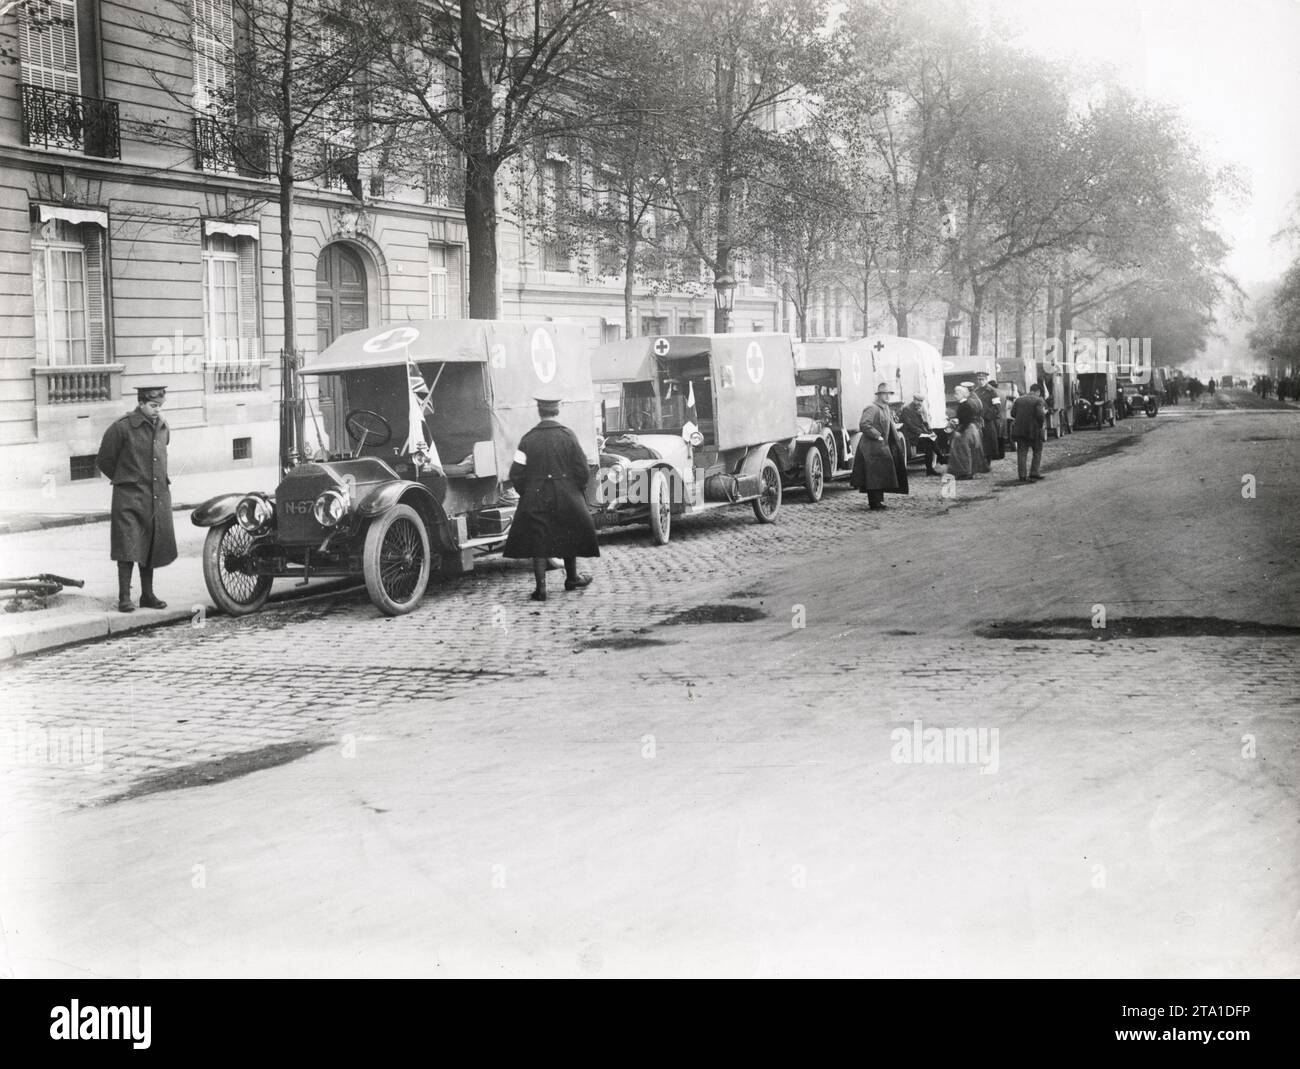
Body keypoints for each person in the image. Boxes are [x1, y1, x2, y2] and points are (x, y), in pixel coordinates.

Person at [502, 397, 600, 601]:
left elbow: (515, 473)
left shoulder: (527, 439)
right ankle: (572, 579)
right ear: (557, 411)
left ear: (539, 411)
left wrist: (528, 491)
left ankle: (541, 589)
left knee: (538, 540)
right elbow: (582, 470)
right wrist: (575, 490)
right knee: (568, 533)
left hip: (536, 496)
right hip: (566, 494)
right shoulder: (568, 436)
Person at [96, 385, 177, 613]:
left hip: (155, 497)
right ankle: (124, 597)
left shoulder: (162, 427)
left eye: (159, 406)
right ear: (140, 403)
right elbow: (104, 460)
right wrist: (126, 479)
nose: (157, 410)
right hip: (129, 498)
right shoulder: (122, 428)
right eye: (153, 406)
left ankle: (148, 595)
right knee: (128, 545)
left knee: (151, 544)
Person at [849, 382, 909, 509]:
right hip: (871, 447)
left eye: (889, 394)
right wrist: (877, 435)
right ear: (879, 395)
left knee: (879, 474)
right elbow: (864, 424)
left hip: (880, 447)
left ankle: (878, 501)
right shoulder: (872, 408)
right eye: (884, 394)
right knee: (873, 475)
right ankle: (874, 502)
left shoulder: (885, 408)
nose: (887, 396)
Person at [1010, 383, 1048, 482]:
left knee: (1022, 453)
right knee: (1037, 451)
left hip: (1020, 431)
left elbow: (1012, 413)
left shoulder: (1019, 399)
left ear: (1030, 390)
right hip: (1034, 431)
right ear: (1038, 392)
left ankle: (1022, 476)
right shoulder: (1038, 400)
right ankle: (1034, 472)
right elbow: (1040, 415)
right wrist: (1040, 425)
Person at [946, 386, 984, 480]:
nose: (955, 395)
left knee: (964, 452)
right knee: (963, 452)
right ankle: (964, 472)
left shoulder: (965, 405)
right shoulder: (963, 404)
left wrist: (960, 431)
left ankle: (966, 472)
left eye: (957, 394)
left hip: (967, 430)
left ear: (962, 394)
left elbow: (966, 420)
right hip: (966, 428)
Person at [899, 392, 940, 476]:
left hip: (917, 433)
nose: (920, 403)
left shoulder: (918, 408)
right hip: (910, 435)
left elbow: (923, 423)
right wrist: (923, 434)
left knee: (930, 441)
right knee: (929, 441)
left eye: (921, 401)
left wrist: (929, 431)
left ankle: (930, 469)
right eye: (918, 401)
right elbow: (910, 426)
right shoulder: (907, 409)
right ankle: (940, 459)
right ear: (914, 400)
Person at [973, 372, 1004, 460]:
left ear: (986, 380)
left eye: (983, 379)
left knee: (989, 441)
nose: (981, 381)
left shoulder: (992, 391)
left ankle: (988, 459)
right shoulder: (976, 391)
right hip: (978, 420)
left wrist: (988, 416)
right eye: (979, 379)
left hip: (988, 421)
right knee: (979, 441)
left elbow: (997, 407)